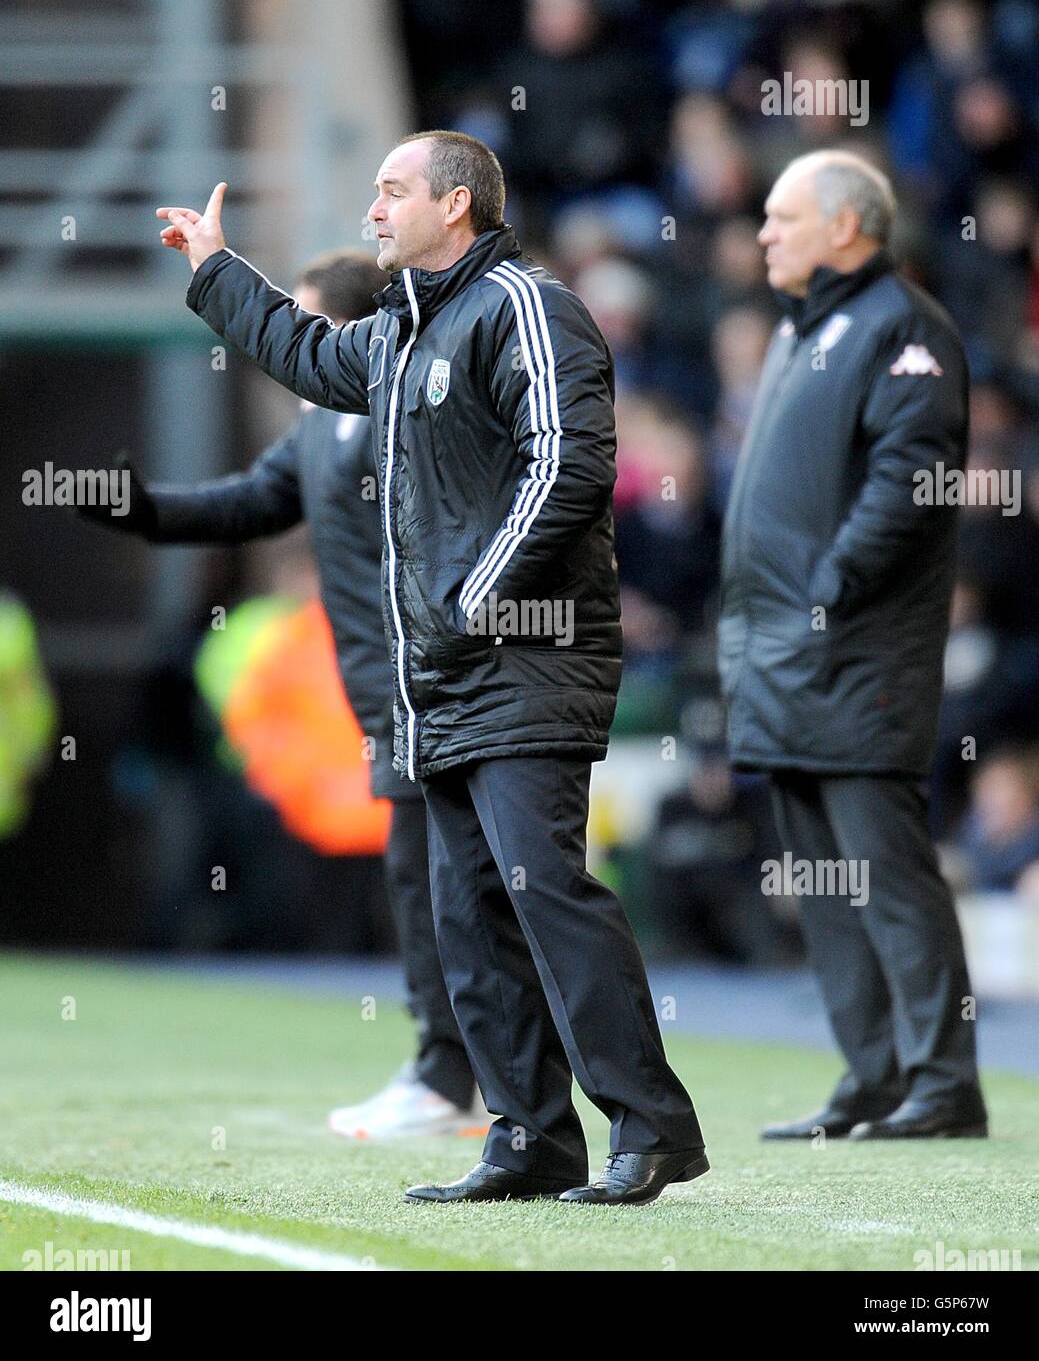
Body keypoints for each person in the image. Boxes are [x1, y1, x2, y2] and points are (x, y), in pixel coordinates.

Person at [155, 130, 708, 1204]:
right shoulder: (397, 333)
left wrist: (474, 599)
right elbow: (303, 352)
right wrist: (217, 270)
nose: (372, 209)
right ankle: (528, 1137)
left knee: (542, 887)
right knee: (466, 909)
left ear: (456, 205)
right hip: (441, 677)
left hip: (529, 660)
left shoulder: (526, 306)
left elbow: (569, 462)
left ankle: (652, 1126)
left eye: (391, 189)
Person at [77, 248, 486, 1142]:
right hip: (385, 698)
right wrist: (138, 507)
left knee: (448, 887)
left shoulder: (397, 410)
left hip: (439, 685)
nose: (286, 345)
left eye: (301, 322)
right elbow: (244, 505)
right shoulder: (318, 433)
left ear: (340, 330)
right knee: (427, 884)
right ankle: (454, 1072)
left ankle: (455, 1076)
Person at [718, 149, 988, 1140]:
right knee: (822, 883)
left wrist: (830, 588)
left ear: (846, 225)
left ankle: (942, 1080)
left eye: (782, 217)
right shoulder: (806, 332)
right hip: (784, 655)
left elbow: (913, 481)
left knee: (884, 870)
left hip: (855, 654)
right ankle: (872, 1076)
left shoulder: (902, 328)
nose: (762, 234)